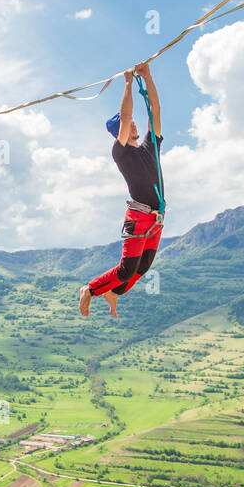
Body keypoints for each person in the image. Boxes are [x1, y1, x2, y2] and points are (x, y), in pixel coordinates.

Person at [79, 61, 164, 319]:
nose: (133, 126)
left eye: (133, 125)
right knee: (127, 269)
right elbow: (126, 117)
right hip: (139, 217)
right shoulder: (121, 152)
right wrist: (128, 83)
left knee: (144, 266)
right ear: (119, 134)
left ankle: (113, 293)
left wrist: (147, 78)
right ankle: (90, 289)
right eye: (126, 127)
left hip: (156, 217)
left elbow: (155, 111)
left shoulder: (150, 147)